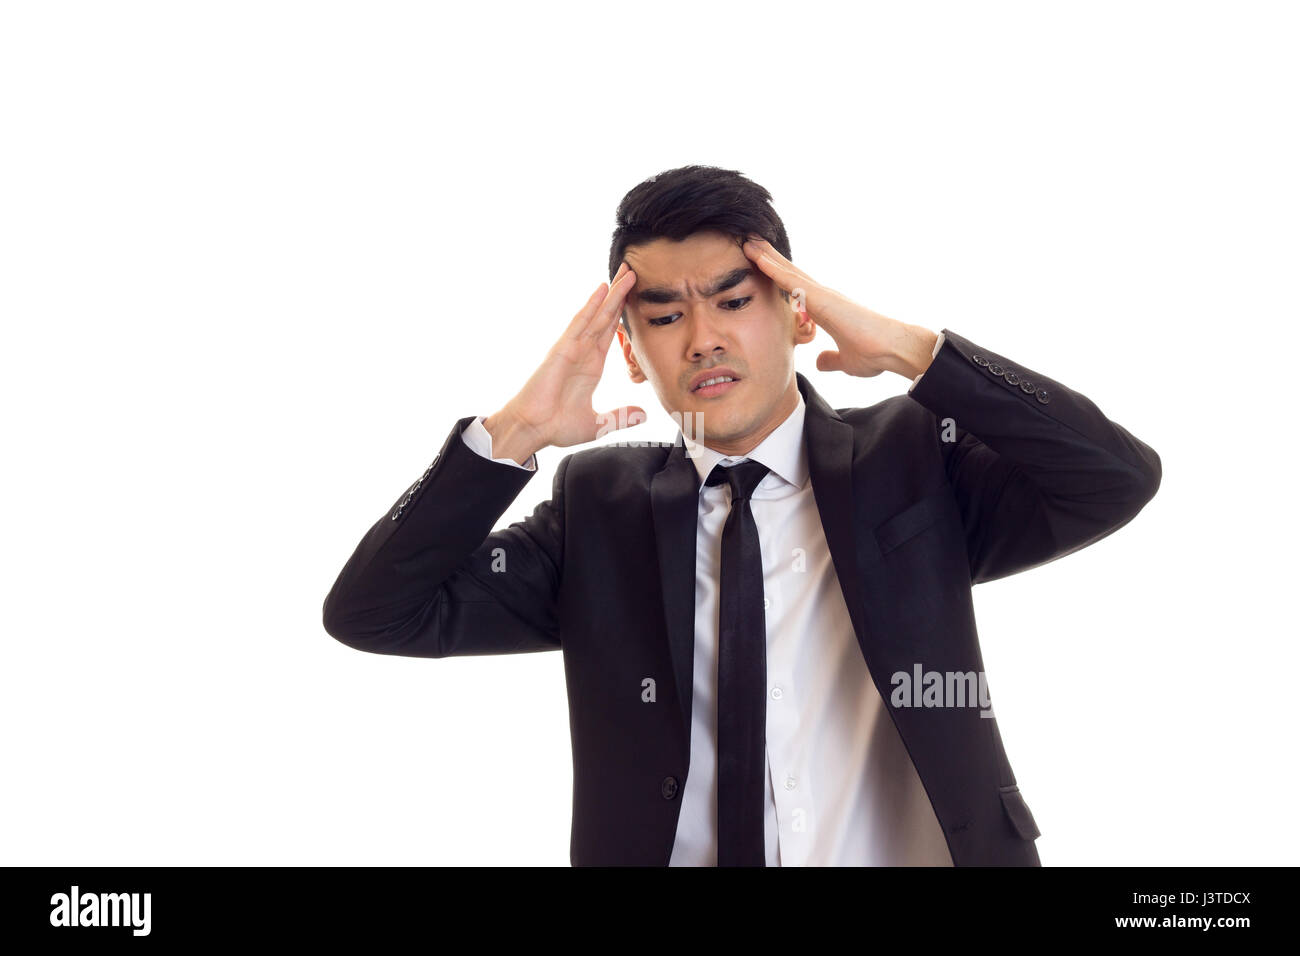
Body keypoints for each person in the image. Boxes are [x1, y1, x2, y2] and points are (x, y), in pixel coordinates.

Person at [322, 165, 1161, 866]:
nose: (702, 340)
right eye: (663, 316)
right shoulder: (599, 508)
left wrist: (915, 352)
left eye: (733, 301)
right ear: (629, 350)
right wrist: (514, 435)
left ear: (798, 311)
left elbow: (1114, 477)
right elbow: (375, 612)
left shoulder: (913, 458)